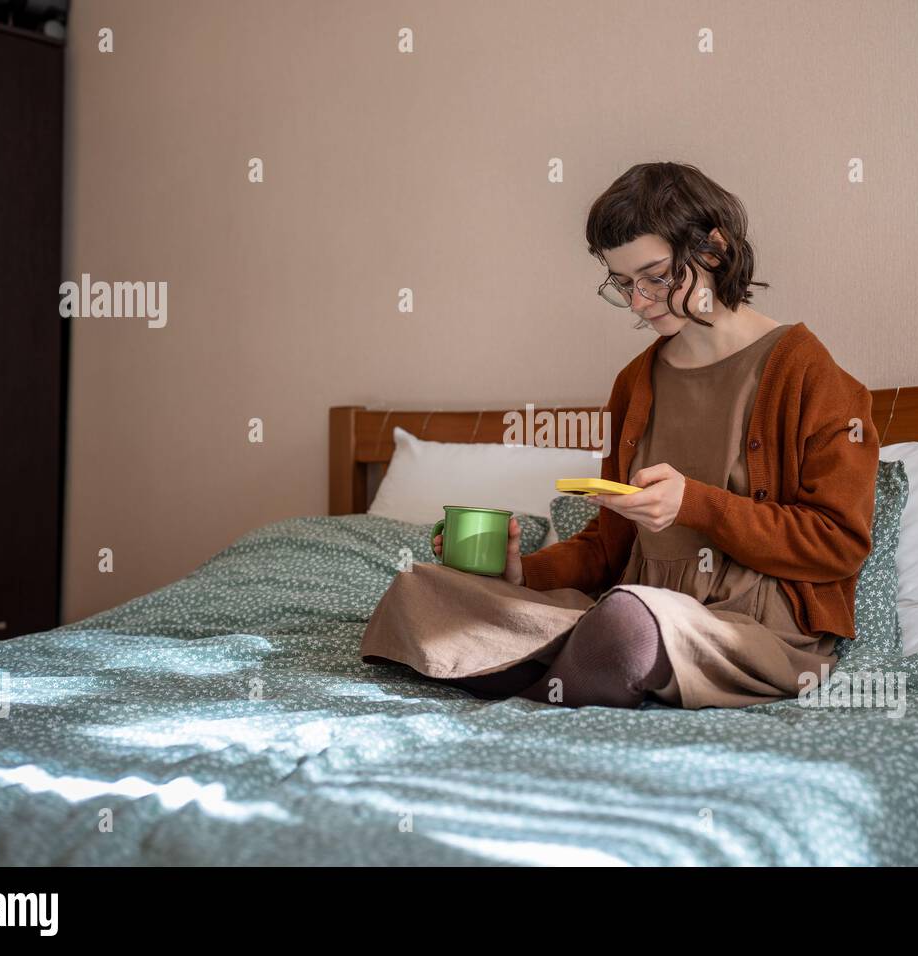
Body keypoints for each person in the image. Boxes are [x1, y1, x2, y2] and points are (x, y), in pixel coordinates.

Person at [360, 161, 879, 710]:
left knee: (629, 625)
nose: (638, 302)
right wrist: (519, 572)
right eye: (624, 284)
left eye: (654, 276)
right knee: (420, 589)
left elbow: (838, 544)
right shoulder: (636, 383)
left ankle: (532, 670)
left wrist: (695, 505)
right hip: (624, 606)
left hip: (745, 630)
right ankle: (577, 668)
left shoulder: (809, 374)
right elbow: (610, 549)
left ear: (713, 250)